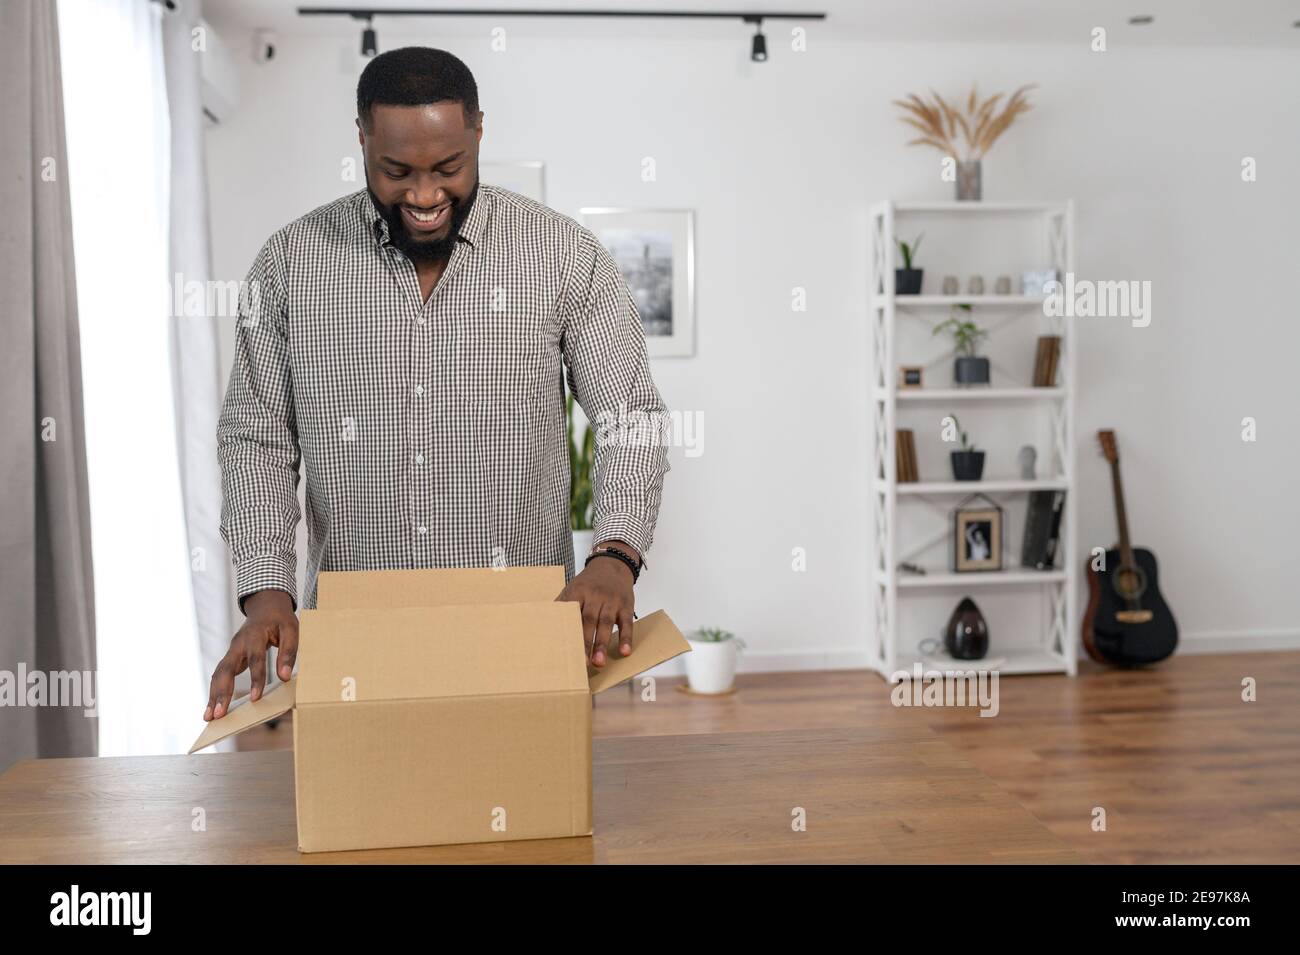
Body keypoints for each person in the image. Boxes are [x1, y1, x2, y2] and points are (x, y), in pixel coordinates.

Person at [204, 47, 670, 722]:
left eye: (448, 168)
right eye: (396, 171)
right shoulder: (288, 264)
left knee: (533, 823)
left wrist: (615, 554)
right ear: (361, 138)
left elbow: (632, 420)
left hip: (524, 631)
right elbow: (256, 438)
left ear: (478, 131)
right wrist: (265, 589)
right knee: (360, 823)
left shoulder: (564, 255)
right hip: (354, 641)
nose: (424, 196)